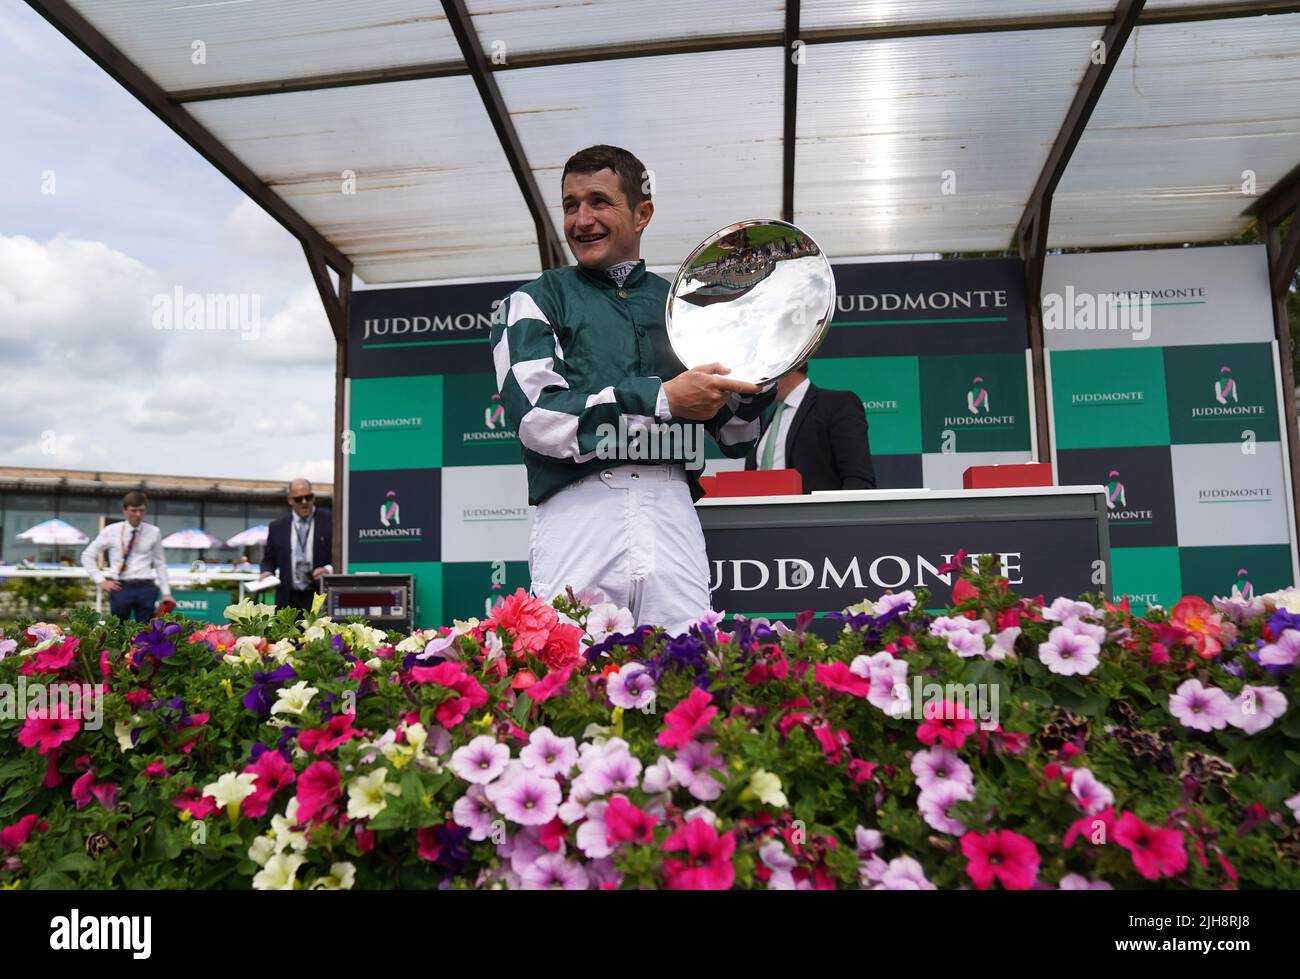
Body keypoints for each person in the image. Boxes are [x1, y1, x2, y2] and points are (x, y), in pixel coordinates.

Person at [490, 144, 775, 632]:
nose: (582, 220)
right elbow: (540, 420)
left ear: (643, 213)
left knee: (686, 674)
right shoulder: (533, 300)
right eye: (570, 205)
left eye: (599, 201)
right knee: (568, 683)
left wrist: (766, 359)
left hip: (673, 511)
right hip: (579, 511)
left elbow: (739, 435)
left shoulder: (687, 307)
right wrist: (664, 399)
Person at [745, 361, 876, 491]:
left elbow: (858, 481)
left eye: (762, 370)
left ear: (787, 367)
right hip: (762, 511)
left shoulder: (838, 404)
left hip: (816, 511)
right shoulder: (768, 417)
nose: (756, 379)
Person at [80, 490, 172, 621]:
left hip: (146, 586)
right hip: (121, 586)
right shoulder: (111, 530)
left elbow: (160, 562)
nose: (138, 514)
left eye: (141, 510)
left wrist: (166, 593)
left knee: (147, 631)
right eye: (134, 510)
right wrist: (100, 581)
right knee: (118, 630)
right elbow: (87, 555)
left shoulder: (154, 531)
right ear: (124, 510)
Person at [260, 479, 334, 612]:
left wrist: (328, 569)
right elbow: (268, 560)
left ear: (313, 497)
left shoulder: (331, 521)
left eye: (308, 497)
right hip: (288, 599)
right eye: (299, 499)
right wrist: (266, 572)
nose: (304, 502)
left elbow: (342, 557)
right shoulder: (277, 526)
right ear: (290, 500)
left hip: (320, 595)